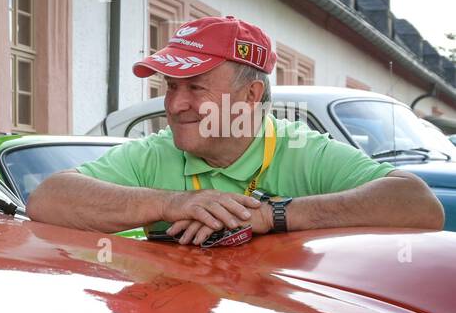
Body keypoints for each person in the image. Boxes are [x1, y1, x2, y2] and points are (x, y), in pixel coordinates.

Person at [27, 15, 444, 242]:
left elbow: (418, 205)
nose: (175, 105)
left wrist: (274, 215)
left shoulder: (302, 149)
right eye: (171, 87)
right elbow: (47, 200)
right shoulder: (156, 151)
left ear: (250, 96)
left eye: (196, 87)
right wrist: (172, 204)